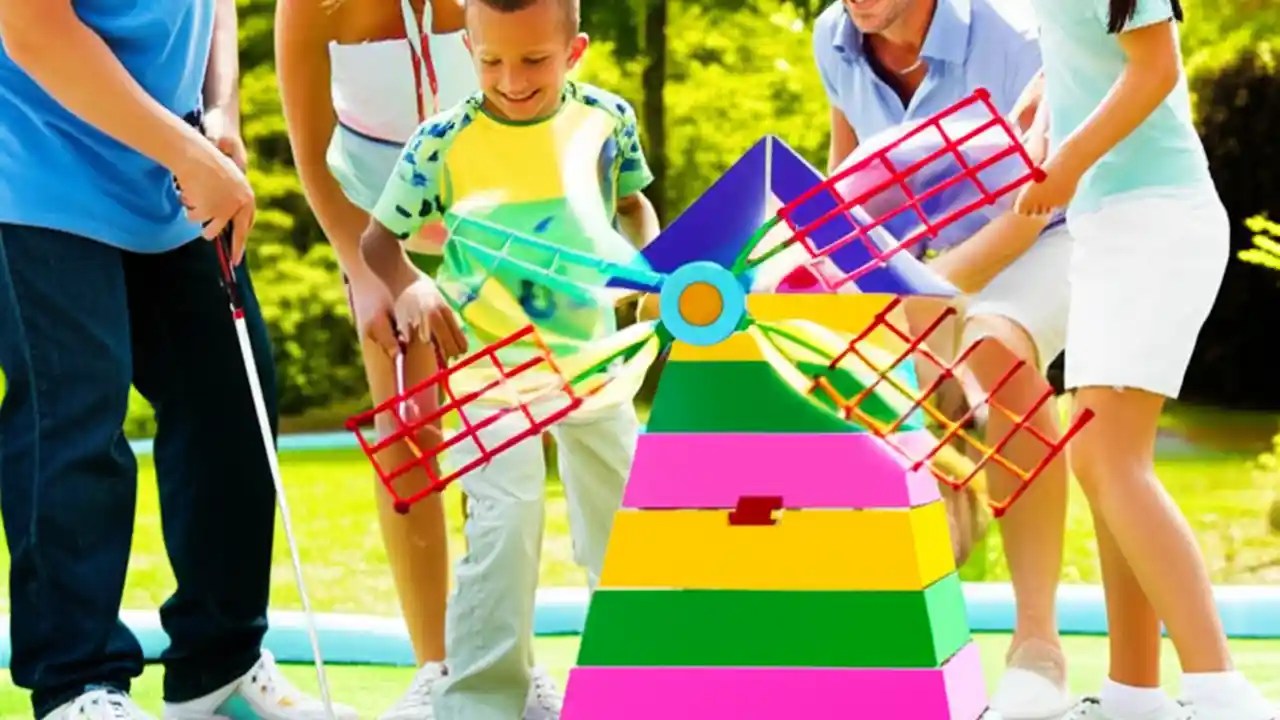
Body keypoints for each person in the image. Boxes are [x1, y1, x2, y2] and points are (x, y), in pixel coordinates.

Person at [0, 1, 356, 719]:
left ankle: (217, 672)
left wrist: (219, 113)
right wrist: (184, 149)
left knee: (230, 400)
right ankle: (78, 683)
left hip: (165, 166)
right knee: (74, 417)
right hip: (32, 169)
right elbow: (30, 27)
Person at [358, 0, 661, 717]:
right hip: (492, 376)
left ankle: (643, 685)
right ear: (468, 45)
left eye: (534, 61)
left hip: (596, 364)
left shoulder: (608, 120)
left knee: (626, 526)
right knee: (503, 533)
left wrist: (651, 269)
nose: (511, 79)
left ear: (575, 49)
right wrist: (412, 287)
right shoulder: (440, 142)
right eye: (491, 60)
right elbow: (378, 243)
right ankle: (482, 701)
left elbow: (634, 205)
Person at [1014, 0, 1277, 718]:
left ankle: (1221, 689)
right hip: (1108, 225)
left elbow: (1155, 67)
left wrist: (1066, 163)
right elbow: (1093, 50)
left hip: (1158, 219)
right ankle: (1134, 692)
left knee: (1105, 458)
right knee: (1098, 457)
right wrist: (1047, 95)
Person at [276, 1, 539, 717]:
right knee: (410, 436)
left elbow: (543, 91)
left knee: (507, 442)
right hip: (375, 230)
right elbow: (312, 144)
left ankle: (510, 662)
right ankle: (434, 667)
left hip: (497, 228)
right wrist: (364, 274)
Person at [813, 1, 1075, 718]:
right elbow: (849, 183)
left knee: (997, 349)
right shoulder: (834, 40)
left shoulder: (1016, 40)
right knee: (828, 376)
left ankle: (1038, 649)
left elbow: (1035, 201)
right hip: (931, 258)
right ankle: (865, 629)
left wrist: (927, 304)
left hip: (1053, 233)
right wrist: (833, 300)